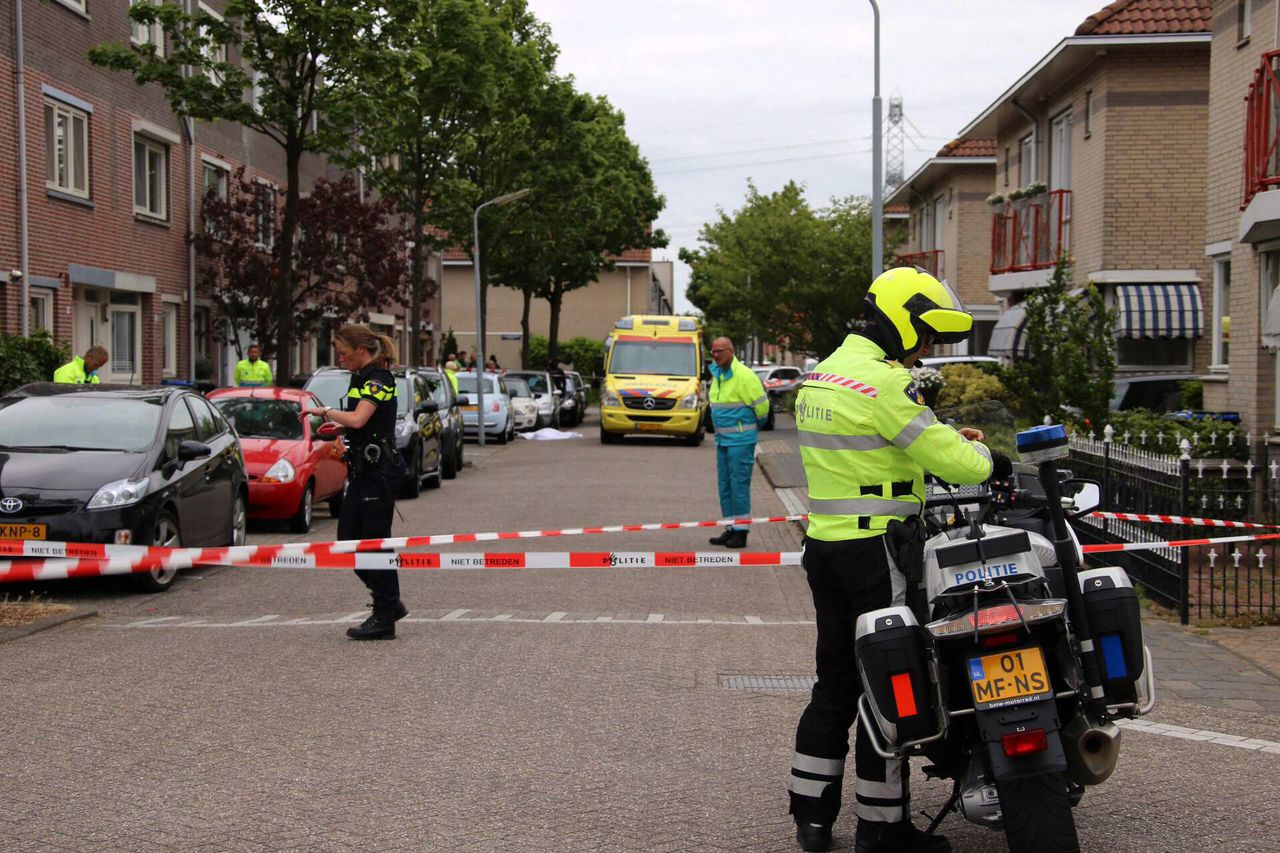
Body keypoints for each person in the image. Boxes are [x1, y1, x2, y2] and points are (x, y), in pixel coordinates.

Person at [786, 267, 1010, 853]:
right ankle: (882, 832)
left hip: (825, 547)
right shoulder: (886, 384)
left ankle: (811, 817)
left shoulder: (823, 375)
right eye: (924, 335)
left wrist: (934, 436)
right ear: (902, 320)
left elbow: (881, 448)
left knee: (834, 680)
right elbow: (953, 462)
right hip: (878, 552)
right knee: (889, 684)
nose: (926, 348)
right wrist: (991, 462)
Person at [300, 324, 407, 641]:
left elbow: (360, 418)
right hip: (362, 470)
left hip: (379, 473)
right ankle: (390, 604)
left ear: (361, 350)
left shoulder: (378, 379)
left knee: (374, 544)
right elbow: (363, 424)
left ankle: (385, 614)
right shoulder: (362, 378)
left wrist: (326, 411)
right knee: (348, 540)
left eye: (343, 353)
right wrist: (339, 428)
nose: (340, 358)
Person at [706, 337, 769, 549]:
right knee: (725, 485)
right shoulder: (719, 374)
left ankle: (741, 532)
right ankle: (730, 527)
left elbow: (762, 409)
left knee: (738, 485)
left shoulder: (745, 376)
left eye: (720, 351)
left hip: (741, 441)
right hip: (723, 440)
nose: (715, 355)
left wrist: (748, 429)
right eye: (713, 351)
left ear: (731, 351)